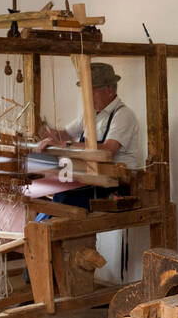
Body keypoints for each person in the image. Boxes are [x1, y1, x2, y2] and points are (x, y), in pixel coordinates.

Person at [35, 62, 142, 212]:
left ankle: (49, 228)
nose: (87, 96)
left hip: (115, 184)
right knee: (52, 191)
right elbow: (65, 133)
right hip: (94, 179)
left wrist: (64, 145)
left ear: (110, 90)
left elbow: (108, 150)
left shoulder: (123, 115)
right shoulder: (90, 114)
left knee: (65, 198)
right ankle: (43, 227)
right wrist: (48, 132)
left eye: (92, 91)